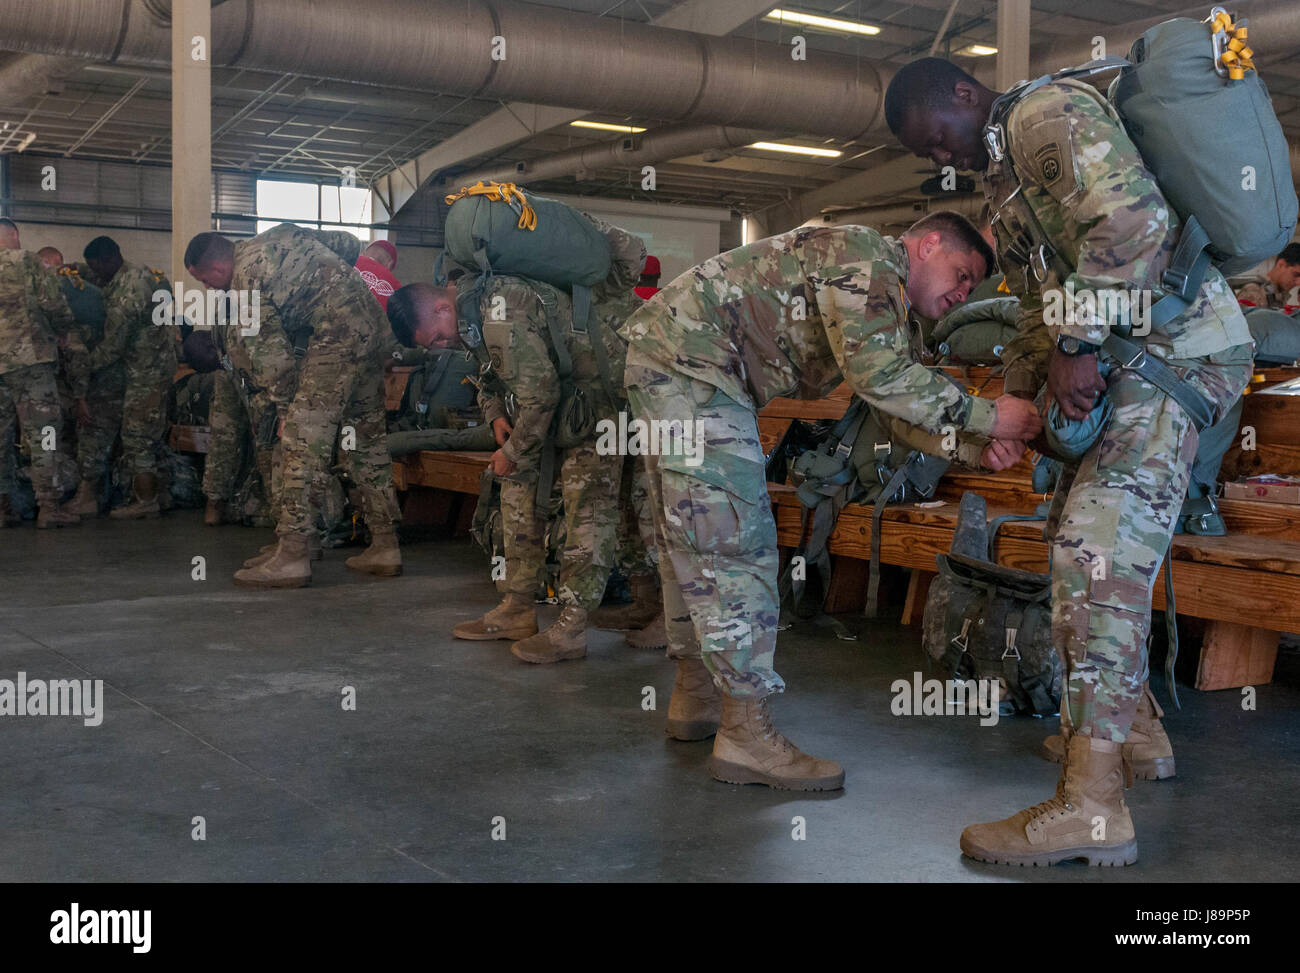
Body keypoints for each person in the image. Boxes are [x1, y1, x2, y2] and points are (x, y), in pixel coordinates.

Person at [886, 56, 1253, 865]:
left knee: (1094, 556)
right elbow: (1032, 308)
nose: (943, 157)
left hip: (1179, 356)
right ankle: (1135, 738)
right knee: (1074, 537)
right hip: (1145, 357)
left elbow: (1133, 227)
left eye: (939, 138)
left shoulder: (1042, 116)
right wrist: (1020, 406)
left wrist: (1080, 344)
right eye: (930, 155)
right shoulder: (1003, 178)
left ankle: (1093, 810)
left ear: (960, 92)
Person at [620, 210, 1038, 791]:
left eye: (972, 288)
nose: (963, 293)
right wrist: (994, 414)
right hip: (693, 368)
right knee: (733, 540)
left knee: (697, 536)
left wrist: (971, 446)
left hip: (677, 362)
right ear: (929, 244)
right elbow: (883, 378)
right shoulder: (867, 259)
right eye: (962, 274)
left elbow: (890, 401)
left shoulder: (883, 297)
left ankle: (697, 697)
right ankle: (745, 734)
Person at [387, 217, 655, 663]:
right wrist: (495, 418)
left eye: (436, 337)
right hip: (555, 407)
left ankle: (572, 628)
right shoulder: (470, 311)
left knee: (589, 509)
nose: (440, 346)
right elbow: (490, 375)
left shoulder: (497, 309)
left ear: (439, 309)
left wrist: (513, 451)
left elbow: (541, 392)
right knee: (515, 493)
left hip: (600, 404)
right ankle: (516, 607)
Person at [185, 224, 403, 586]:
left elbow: (272, 357)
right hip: (372, 327)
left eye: (205, 280)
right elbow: (348, 244)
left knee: (300, 441)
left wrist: (287, 410)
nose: (208, 288)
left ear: (218, 267)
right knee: (365, 441)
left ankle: (294, 553)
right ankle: (385, 544)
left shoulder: (243, 282)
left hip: (336, 335)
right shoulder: (280, 234)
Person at [82, 236, 179, 519]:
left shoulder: (130, 288)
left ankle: (145, 501)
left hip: (147, 371)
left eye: (96, 267)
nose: (96, 274)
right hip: (155, 366)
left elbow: (114, 344)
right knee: (152, 434)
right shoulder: (140, 273)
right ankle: (162, 495)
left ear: (109, 259)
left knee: (136, 435)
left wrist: (83, 367)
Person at [0, 219, 85, 528]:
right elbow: (52, 302)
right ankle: (48, 507)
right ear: (15, 235)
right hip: (30, 362)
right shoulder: (26, 261)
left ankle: (3, 507)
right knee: (43, 436)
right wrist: (62, 332)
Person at [1233, 243, 1300, 309]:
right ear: (1281, 264)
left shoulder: (1278, 293)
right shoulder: (1255, 292)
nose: (1298, 282)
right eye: (1296, 274)